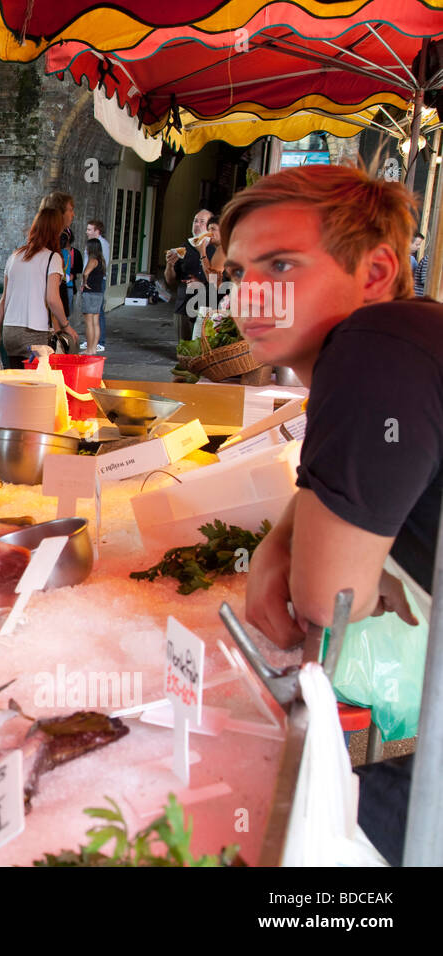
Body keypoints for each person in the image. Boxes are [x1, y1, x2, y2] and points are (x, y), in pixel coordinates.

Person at [227, 163, 441, 867]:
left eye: (281, 265)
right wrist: (276, 545)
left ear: (377, 270)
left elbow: (329, 601)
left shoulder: (376, 342)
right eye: (236, 272)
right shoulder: (408, 342)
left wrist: (286, 558)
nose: (249, 295)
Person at [0, 206, 74, 365]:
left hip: (10, 332)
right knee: (36, 385)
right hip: (35, 331)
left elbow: (4, 298)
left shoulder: (15, 256)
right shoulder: (52, 258)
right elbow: (53, 299)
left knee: (16, 382)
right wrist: (66, 326)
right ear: (55, 231)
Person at [164, 208, 216, 341]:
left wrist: (202, 284)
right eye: (195, 221)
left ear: (210, 227)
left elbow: (224, 283)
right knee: (184, 352)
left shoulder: (218, 250)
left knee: (204, 353)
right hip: (184, 308)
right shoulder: (183, 248)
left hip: (208, 309)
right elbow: (171, 282)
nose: (197, 224)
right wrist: (169, 265)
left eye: (202, 222)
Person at [85, 219, 110, 351]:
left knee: (96, 312)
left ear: (97, 231)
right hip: (93, 280)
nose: (87, 232)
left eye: (89, 229)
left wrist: (85, 280)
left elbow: (98, 264)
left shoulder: (101, 244)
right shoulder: (94, 244)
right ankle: (92, 342)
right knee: (94, 313)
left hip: (96, 281)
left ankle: (99, 342)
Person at [80, 237, 106, 356]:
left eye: (87, 246)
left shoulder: (93, 260)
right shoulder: (101, 260)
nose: (86, 248)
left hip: (90, 293)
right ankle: (94, 348)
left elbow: (85, 273)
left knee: (89, 322)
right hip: (98, 293)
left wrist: (84, 282)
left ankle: (89, 349)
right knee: (95, 322)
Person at [411, 232, 429, 297]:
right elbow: (425, 281)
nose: (419, 247)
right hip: (418, 297)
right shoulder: (429, 259)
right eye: (417, 244)